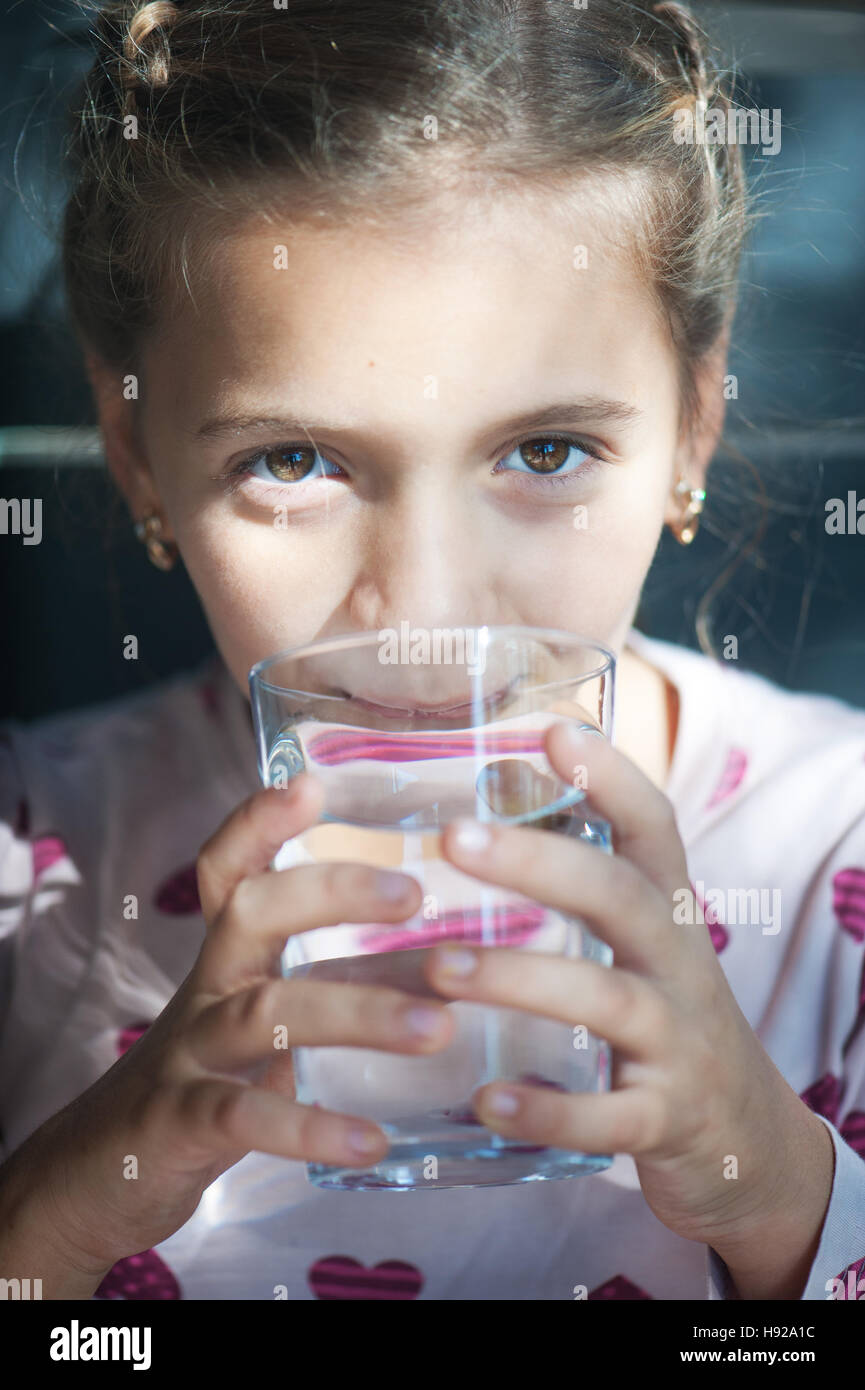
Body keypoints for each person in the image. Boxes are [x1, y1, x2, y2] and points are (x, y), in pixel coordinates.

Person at [0, 0, 863, 1302]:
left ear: (692, 421)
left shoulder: (832, 865)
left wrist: (783, 1193)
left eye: (543, 451)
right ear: (138, 459)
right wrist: (67, 1202)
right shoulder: (33, 864)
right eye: (291, 460)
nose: (426, 616)